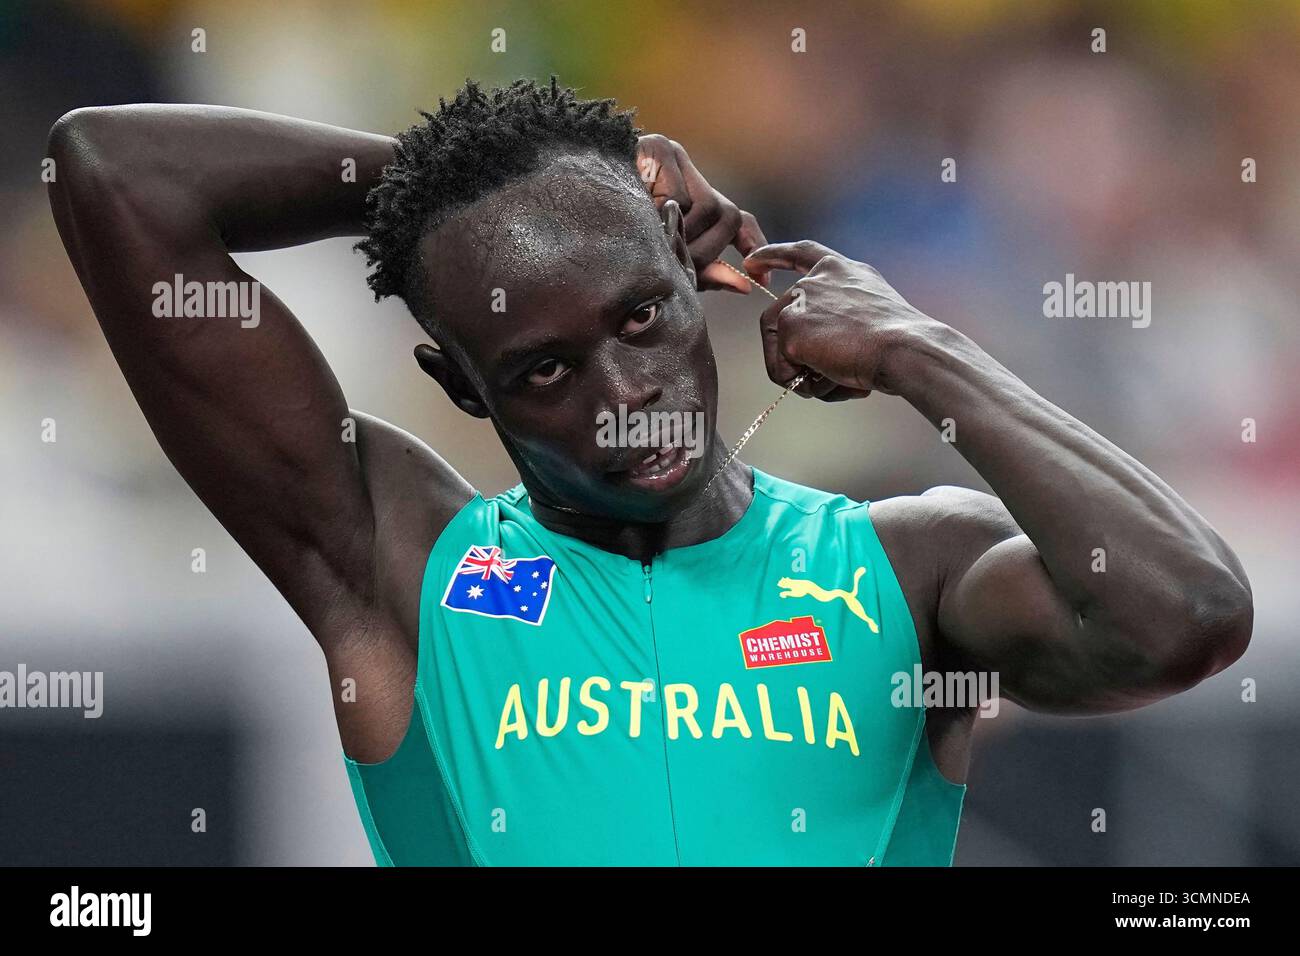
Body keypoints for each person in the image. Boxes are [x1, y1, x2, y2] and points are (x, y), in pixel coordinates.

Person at [47, 78, 1252, 866]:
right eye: (542, 370)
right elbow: (112, 172)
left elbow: (1186, 612)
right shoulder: (399, 565)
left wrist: (922, 351)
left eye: (639, 321)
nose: (625, 403)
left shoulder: (909, 567)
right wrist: (507, 181)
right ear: (462, 384)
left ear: (693, 279)